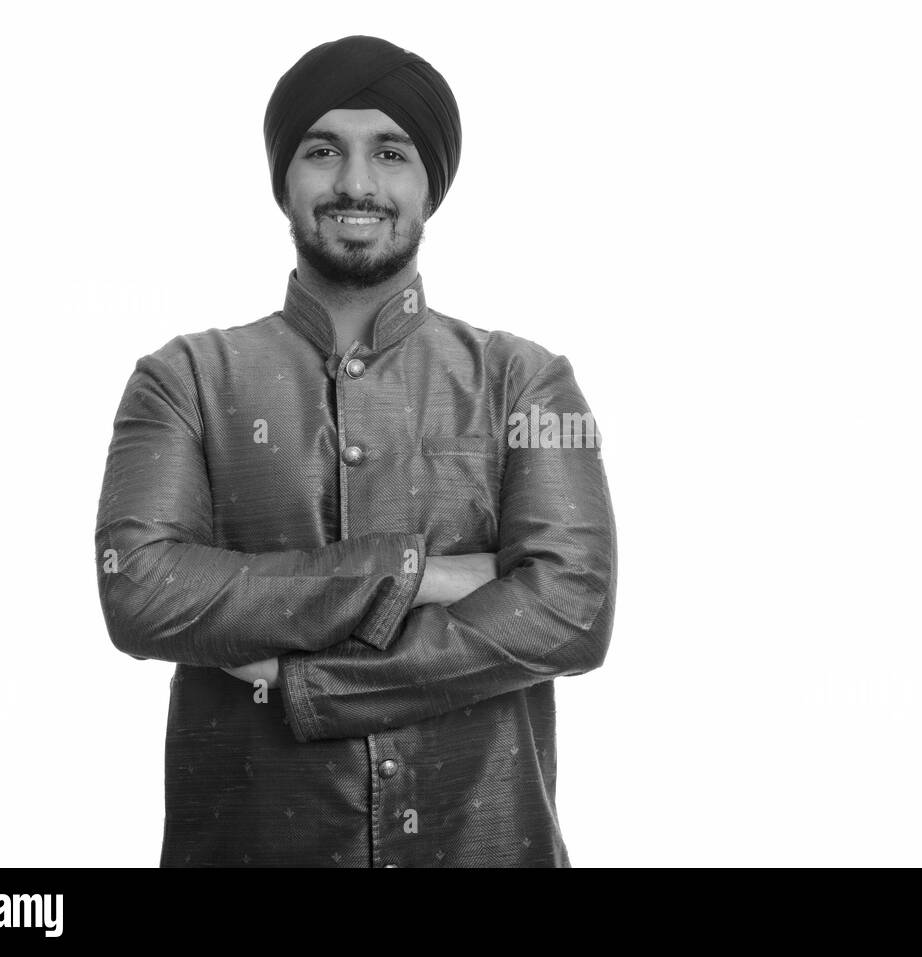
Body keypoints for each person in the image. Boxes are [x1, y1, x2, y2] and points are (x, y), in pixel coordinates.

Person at [93, 34, 617, 867]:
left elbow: (571, 611)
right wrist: (421, 574)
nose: (357, 183)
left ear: (429, 183)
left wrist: (302, 681)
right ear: (285, 178)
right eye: (324, 149)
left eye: (391, 152)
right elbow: (144, 594)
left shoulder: (528, 383)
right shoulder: (182, 380)